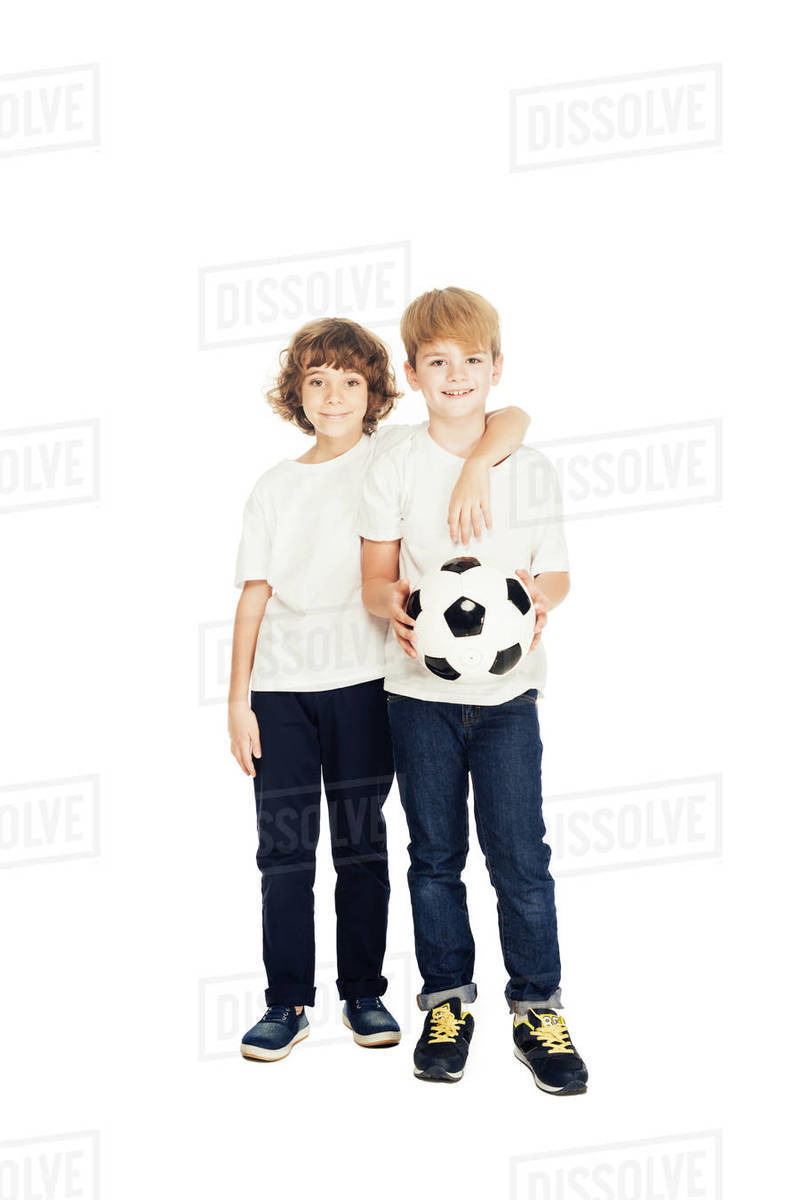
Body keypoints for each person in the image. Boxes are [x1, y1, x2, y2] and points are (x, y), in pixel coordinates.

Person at [229, 315, 531, 1061]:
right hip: (281, 692)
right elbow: (253, 595)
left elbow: (512, 418)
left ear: (376, 392)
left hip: (369, 683)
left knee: (361, 846)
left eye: (352, 382)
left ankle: (363, 993)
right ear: (296, 393)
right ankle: (286, 1001)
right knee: (284, 852)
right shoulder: (273, 486)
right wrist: (237, 700)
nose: (334, 396)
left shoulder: (395, 452)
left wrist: (469, 469)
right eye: (317, 381)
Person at [358, 287, 589, 1093]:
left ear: (496, 367)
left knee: (520, 857)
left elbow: (556, 574)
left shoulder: (528, 465)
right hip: (415, 695)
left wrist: (535, 603)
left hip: (509, 701)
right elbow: (374, 582)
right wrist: (393, 605)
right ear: (415, 374)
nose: (456, 375)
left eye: (472, 361)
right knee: (434, 857)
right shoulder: (393, 461)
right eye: (437, 363)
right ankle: (447, 1001)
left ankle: (537, 1008)